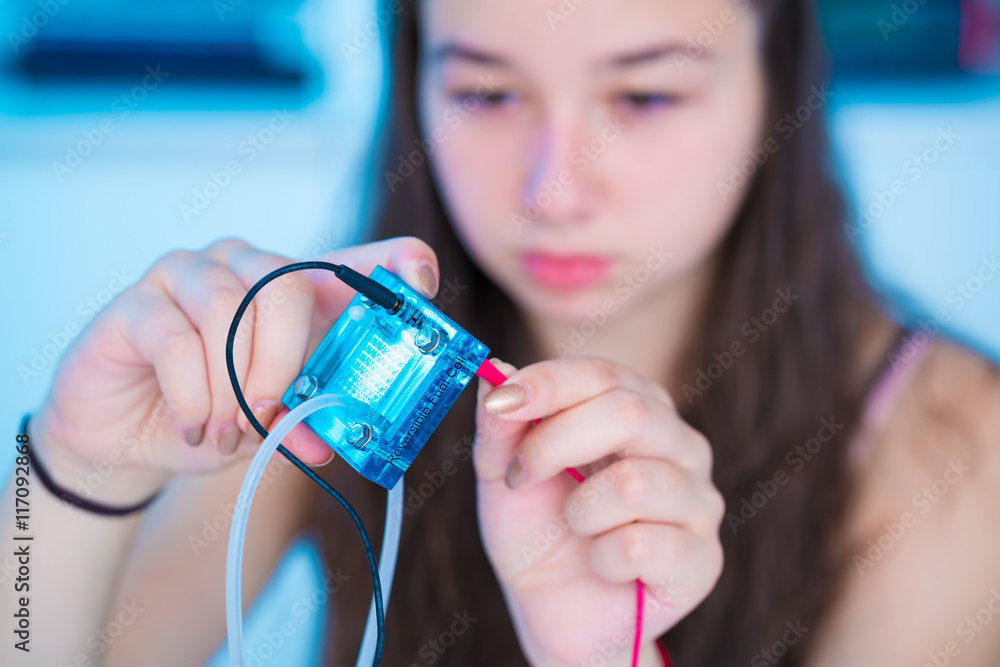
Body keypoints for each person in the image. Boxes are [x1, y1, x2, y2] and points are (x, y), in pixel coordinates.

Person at [4, 0, 999, 665]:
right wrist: (66, 474)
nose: (552, 189)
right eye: (484, 92)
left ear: (775, 90)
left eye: (644, 94)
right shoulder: (326, 354)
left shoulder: (958, 443)